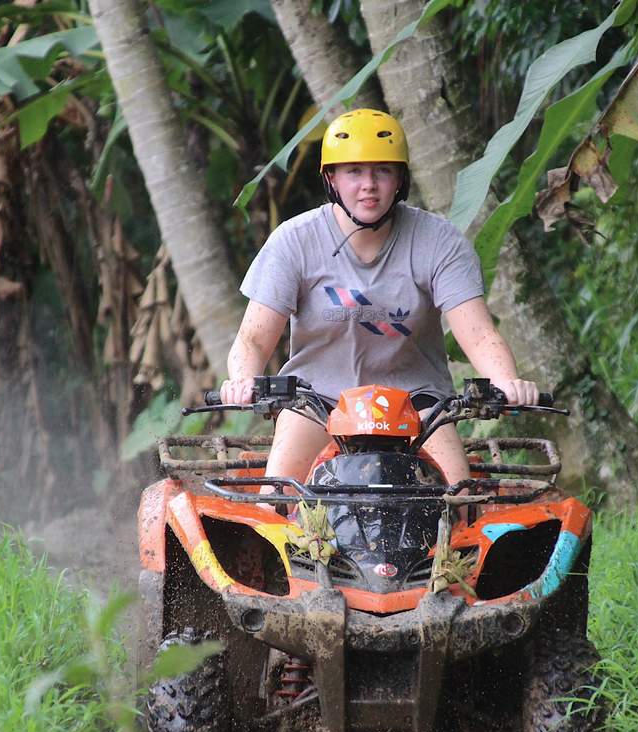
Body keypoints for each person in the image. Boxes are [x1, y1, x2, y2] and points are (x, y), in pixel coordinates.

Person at [219, 109, 538, 486]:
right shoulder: (294, 241)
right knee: (278, 494)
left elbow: (480, 334)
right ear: (331, 178)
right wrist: (242, 380)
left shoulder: (439, 241)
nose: (368, 185)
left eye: (382, 171)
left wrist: (506, 380)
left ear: (401, 179)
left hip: (418, 403)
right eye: (354, 171)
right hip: (315, 401)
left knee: (457, 495)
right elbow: (253, 337)